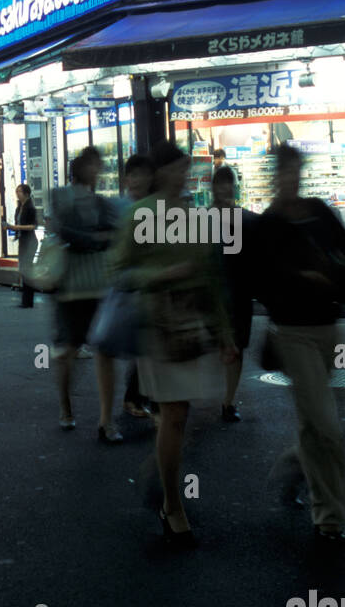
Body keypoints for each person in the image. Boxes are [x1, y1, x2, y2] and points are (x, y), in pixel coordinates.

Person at [111, 140, 236, 546]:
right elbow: (119, 269)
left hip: (191, 324)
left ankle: (162, 469)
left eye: (187, 168)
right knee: (177, 411)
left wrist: (224, 333)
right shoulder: (141, 215)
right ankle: (172, 503)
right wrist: (159, 278)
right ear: (162, 172)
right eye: (179, 168)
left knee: (183, 415)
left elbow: (211, 278)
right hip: (157, 325)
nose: (186, 175)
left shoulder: (195, 217)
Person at [254, 144, 345, 541]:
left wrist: (331, 269)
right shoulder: (267, 225)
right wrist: (302, 279)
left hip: (327, 327)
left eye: (296, 171)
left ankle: (295, 464)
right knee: (327, 425)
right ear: (274, 176)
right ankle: (329, 515)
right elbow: (264, 282)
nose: (291, 178)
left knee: (316, 423)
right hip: (291, 331)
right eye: (284, 172)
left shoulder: (317, 209)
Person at [51, 147, 122, 440]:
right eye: (94, 165)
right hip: (69, 286)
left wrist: (92, 238)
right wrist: (95, 238)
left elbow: (114, 234)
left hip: (99, 284)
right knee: (67, 350)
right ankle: (66, 406)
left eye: (99, 165)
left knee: (104, 349)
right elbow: (64, 231)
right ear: (81, 167)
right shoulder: (62, 197)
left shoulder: (103, 202)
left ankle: (106, 420)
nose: (98, 170)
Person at [211, 165, 258, 422]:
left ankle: (228, 401)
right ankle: (223, 399)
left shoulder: (245, 219)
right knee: (221, 347)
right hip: (217, 292)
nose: (226, 187)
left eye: (229, 182)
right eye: (221, 182)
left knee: (236, 346)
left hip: (238, 292)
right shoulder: (205, 219)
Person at [117, 154, 155, 420]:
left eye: (144, 174)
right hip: (130, 288)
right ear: (127, 179)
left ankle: (139, 397)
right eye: (134, 175)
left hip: (148, 287)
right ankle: (133, 398)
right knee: (143, 348)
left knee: (146, 348)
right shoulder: (123, 210)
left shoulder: (151, 207)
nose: (139, 180)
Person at [14, 183, 39, 308]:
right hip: (22, 240)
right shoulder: (19, 207)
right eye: (17, 191)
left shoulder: (30, 208)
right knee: (24, 270)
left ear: (26, 193)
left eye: (19, 191)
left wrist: (16, 227)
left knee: (27, 270)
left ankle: (29, 300)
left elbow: (33, 226)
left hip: (30, 241)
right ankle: (26, 300)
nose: (17, 193)